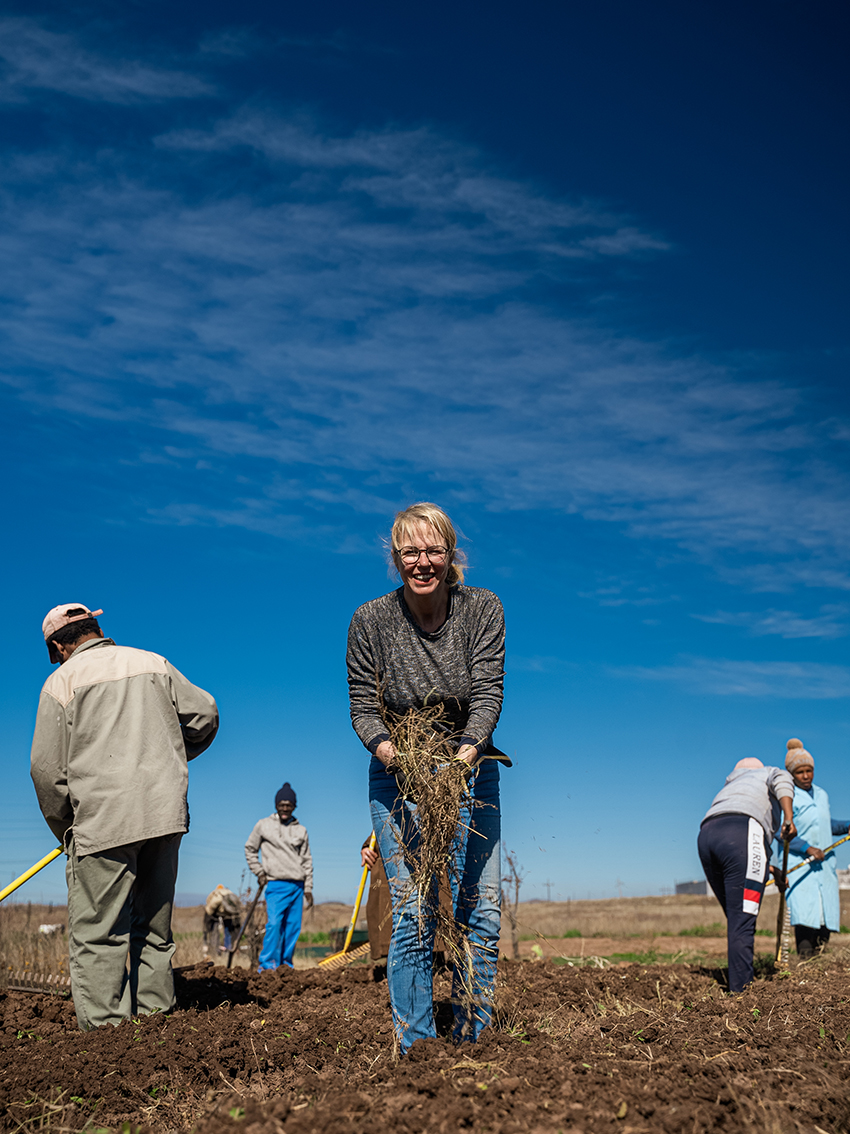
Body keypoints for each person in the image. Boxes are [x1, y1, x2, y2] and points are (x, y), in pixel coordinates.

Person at [347, 502, 509, 1052]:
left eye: (433, 550)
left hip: (470, 765)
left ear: (451, 554)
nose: (423, 562)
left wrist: (461, 759)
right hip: (398, 771)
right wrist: (399, 759)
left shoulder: (482, 609)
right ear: (395, 558)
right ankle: (417, 1047)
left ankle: (474, 1039)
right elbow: (363, 711)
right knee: (415, 910)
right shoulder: (371, 620)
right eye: (411, 551)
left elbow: (488, 694)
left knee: (480, 910)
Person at [30, 602, 219, 1030]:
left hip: (102, 821)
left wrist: (67, 828)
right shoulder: (153, 663)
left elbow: (46, 771)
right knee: (153, 929)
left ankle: (107, 1044)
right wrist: (169, 756)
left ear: (59, 645)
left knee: (99, 935)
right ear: (95, 629)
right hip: (164, 814)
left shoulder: (62, 682)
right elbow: (204, 716)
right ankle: (157, 1029)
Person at [698, 757, 796, 993]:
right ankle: (742, 994)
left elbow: (740, 851)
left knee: (736, 917)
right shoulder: (768, 773)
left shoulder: (729, 788)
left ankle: (739, 979)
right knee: (742, 920)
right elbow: (784, 779)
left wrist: (770, 869)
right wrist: (788, 817)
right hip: (745, 831)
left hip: (707, 836)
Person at [778, 738, 850, 960]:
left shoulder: (822, 794)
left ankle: (818, 964)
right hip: (800, 866)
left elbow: (825, 824)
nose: (806, 776)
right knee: (805, 914)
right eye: (800, 772)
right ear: (791, 774)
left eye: (809, 770)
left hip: (824, 865)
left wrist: (847, 826)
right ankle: (804, 961)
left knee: (824, 916)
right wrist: (808, 848)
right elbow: (781, 832)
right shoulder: (787, 797)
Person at [245, 783, 313, 970]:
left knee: (292, 928)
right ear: (276, 805)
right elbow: (250, 849)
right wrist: (259, 871)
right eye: (281, 805)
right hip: (275, 884)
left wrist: (308, 888)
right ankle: (267, 966)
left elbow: (307, 860)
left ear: (294, 806)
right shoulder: (263, 825)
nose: (285, 808)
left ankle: (286, 967)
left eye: (288, 805)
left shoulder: (301, 831)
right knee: (274, 925)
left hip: (297, 886)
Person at [203, 884, 242, 954]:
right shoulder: (223, 895)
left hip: (225, 914)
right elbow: (209, 911)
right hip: (222, 914)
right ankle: (222, 949)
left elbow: (209, 910)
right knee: (221, 932)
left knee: (222, 931)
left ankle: (223, 949)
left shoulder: (223, 896)